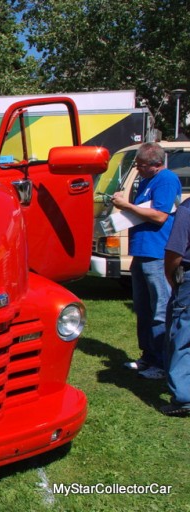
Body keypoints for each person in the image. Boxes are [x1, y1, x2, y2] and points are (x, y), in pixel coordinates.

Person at [112, 142, 182, 379]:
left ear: (156, 164)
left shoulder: (167, 179)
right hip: (141, 252)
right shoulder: (146, 180)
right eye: (137, 165)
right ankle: (148, 357)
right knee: (142, 309)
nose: (138, 169)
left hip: (157, 254)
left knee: (159, 309)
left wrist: (126, 205)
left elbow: (160, 216)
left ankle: (162, 364)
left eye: (141, 166)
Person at [162, 199, 190, 416]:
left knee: (182, 336)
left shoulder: (187, 209)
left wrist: (171, 276)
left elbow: (174, 251)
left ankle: (183, 398)